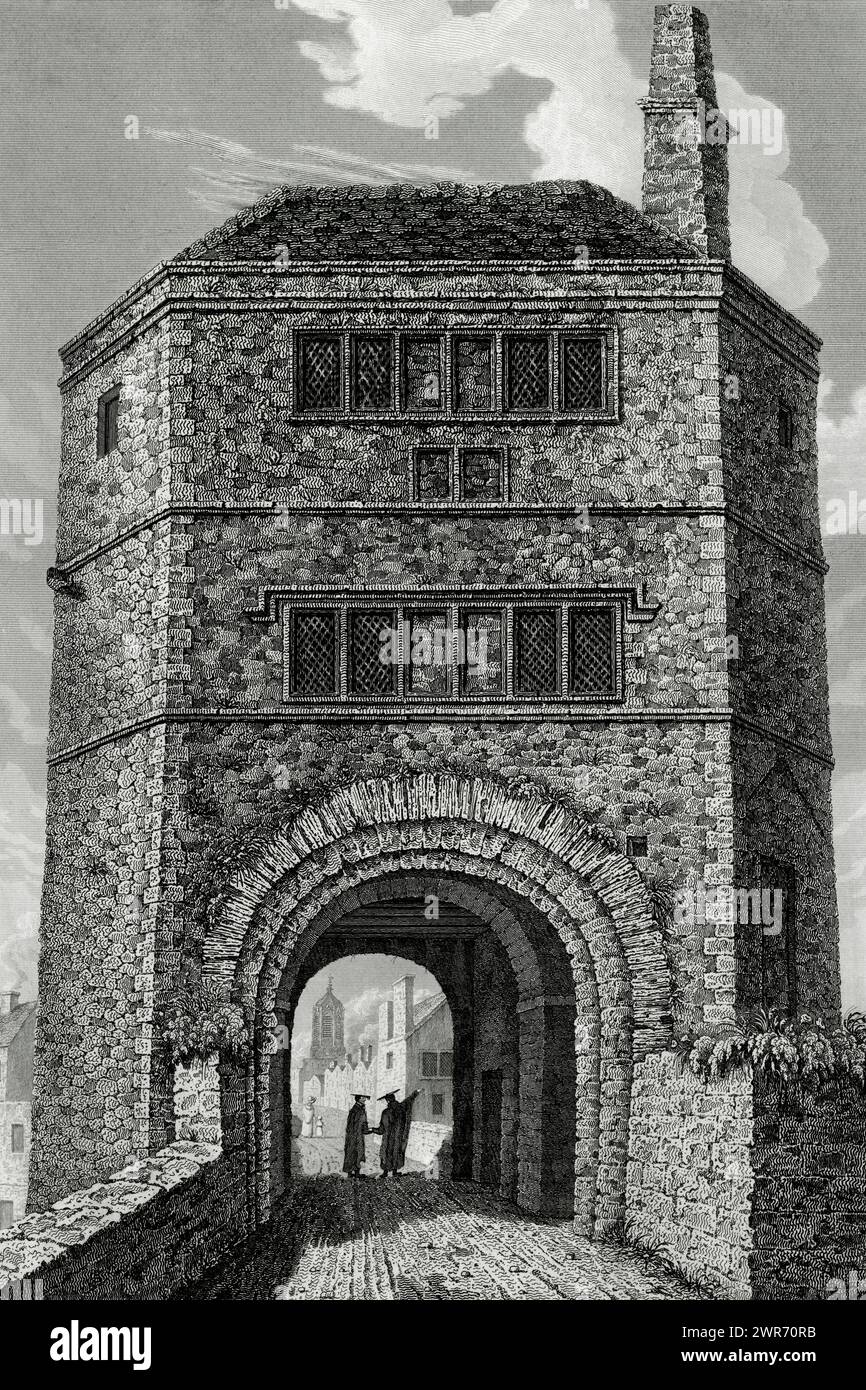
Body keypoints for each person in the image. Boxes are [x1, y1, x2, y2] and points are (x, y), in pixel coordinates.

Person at [373, 1089, 420, 1178]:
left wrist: (372, 1130)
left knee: (387, 1152)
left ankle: (385, 1172)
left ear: (387, 1101)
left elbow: (381, 1130)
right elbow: (409, 1100)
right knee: (397, 1152)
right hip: (398, 1137)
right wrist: (415, 1093)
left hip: (388, 1138)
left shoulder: (386, 1112)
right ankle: (395, 1172)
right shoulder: (401, 1108)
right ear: (394, 1098)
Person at [343, 1094, 372, 1179]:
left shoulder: (361, 1109)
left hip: (358, 1135)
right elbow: (351, 1125)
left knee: (358, 1153)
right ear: (358, 1099)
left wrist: (365, 1129)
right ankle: (350, 1174)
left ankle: (356, 1173)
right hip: (354, 1135)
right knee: (351, 1153)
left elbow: (363, 1123)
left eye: (364, 1098)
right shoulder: (355, 1110)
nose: (365, 1099)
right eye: (363, 1098)